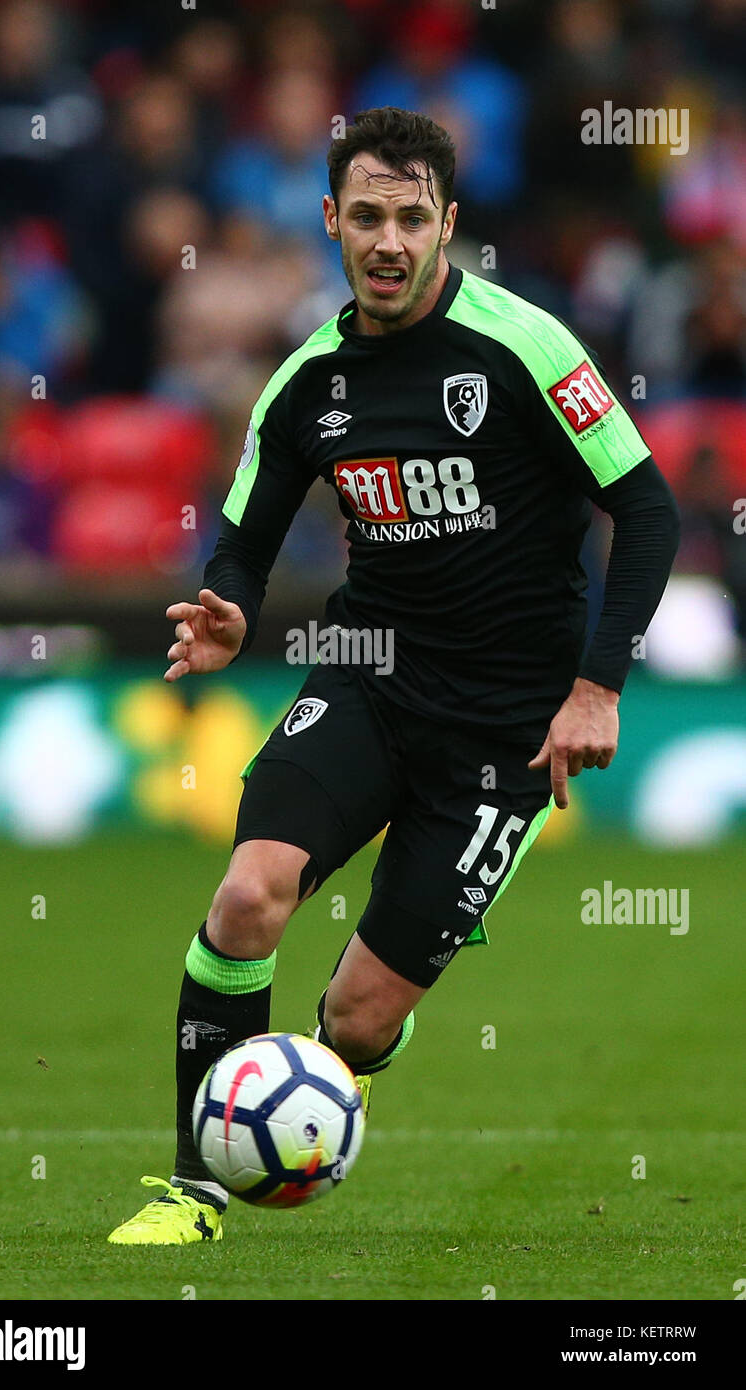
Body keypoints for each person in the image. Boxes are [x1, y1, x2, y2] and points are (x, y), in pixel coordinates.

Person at [108, 107, 679, 1245]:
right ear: (328, 221)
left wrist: (596, 684)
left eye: (411, 217)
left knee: (355, 1023)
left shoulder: (526, 349)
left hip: (505, 731)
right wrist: (226, 606)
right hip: (367, 679)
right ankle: (192, 1188)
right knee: (246, 896)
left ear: (446, 224)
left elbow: (646, 508)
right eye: (363, 214)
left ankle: (349, 1057)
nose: (386, 238)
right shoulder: (308, 381)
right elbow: (243, 536)